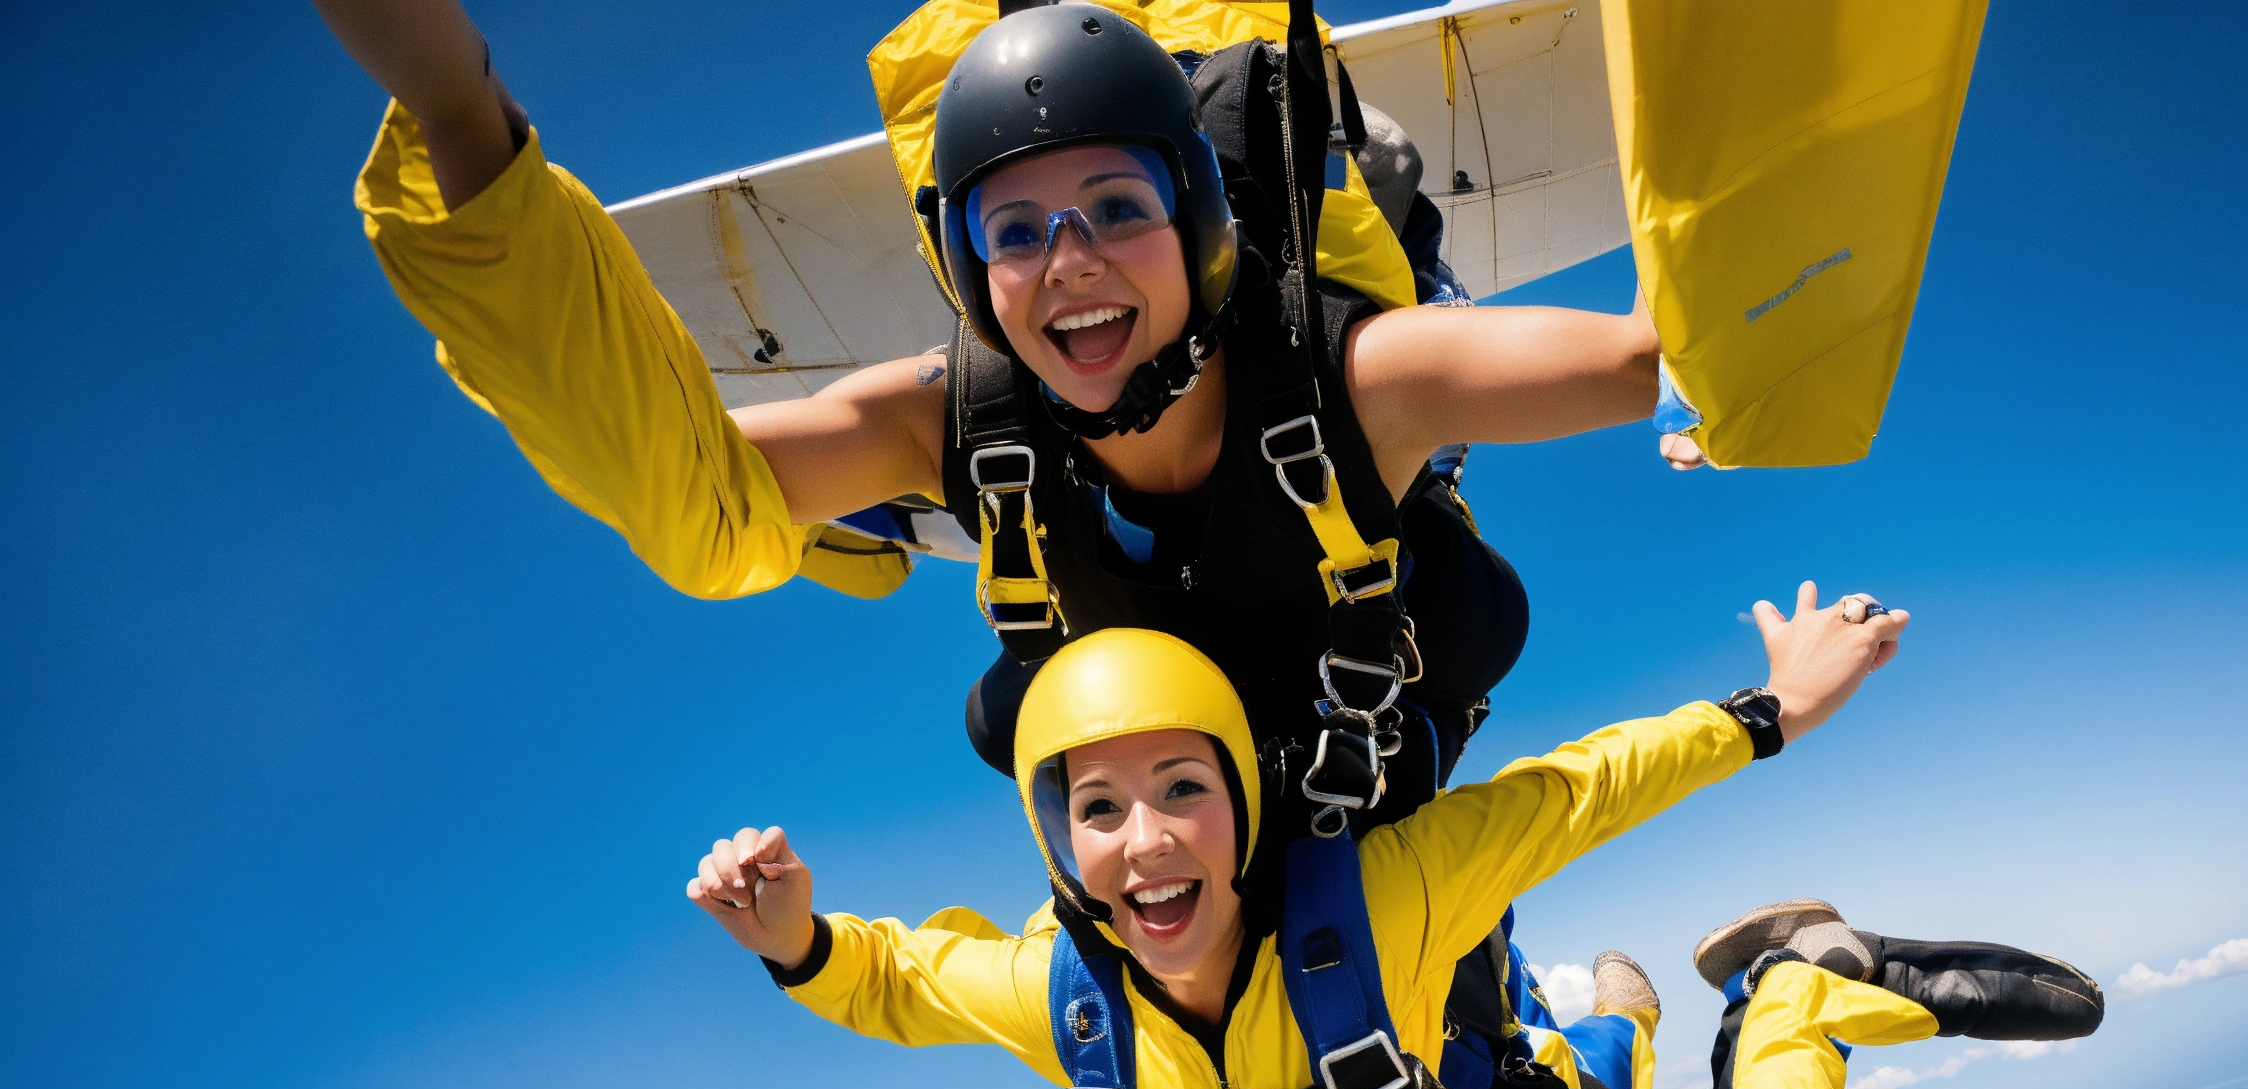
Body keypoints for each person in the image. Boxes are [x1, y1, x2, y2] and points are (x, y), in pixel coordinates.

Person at [316, 0, 1705, 825]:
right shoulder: (951, 416)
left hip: (1351, 713)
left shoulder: (1369, 376)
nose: (1072, 260)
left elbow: (1644, 356)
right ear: (971, 276)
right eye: (1017, 231)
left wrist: (1734, 356)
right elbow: (694, 493)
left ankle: (1381, 202)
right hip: (1210, 796)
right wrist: (457, 116)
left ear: (1205, 226)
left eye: (1116, 208)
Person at [682, 589, 2104, 1089]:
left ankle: (1798, 984)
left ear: (1244, 800)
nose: (1145, 841)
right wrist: (793, 939)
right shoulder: (1065, 990)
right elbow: (904, 981)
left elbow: (1577, 791)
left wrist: (1771, 709)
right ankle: (1614, 1007)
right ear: (1053, 846)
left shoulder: (1378, 898)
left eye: (1183, 786)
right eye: (1095, 809)